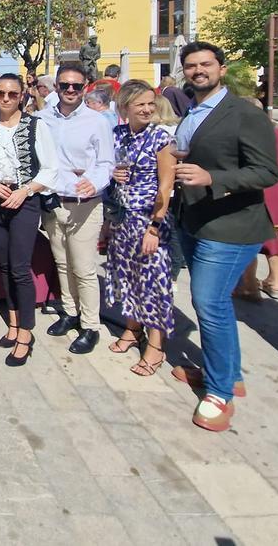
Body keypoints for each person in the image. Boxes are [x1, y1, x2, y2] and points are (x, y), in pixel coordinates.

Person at [170, 41, 278, 433]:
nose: (198, 71)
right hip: (194, 219)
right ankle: (228, 374)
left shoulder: (245, 115)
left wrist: (212, 178)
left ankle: (219, 394)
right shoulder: (193, 110)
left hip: (231, 225)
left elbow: (268, 173)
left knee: (209, 302)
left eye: (205, 64)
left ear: (222, 67)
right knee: (214, 305)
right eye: (192, 65)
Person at [0, 74, 58, 365]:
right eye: (1, 94)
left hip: (24, 202)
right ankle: (12, 322)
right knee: (5, 265)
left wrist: (26, 190)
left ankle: (26, 332)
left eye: (12, 94)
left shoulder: (36, 126)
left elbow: (49, 169)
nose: (6, 98)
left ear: (22, 96)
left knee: (20, 268)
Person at [37, 61, 115, 355]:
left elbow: (106, 163)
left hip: (85, 204)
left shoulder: (97, 122)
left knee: (84, 268)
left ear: (85, 88)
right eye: (65, 85)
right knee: (62, 263)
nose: (70, 90)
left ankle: (91, 325)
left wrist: (93, 183)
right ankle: (69, 312)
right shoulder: (43, 119)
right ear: (56, 86)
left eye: (77, 86)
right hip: (54, 202)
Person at [106, 81, 179, 376]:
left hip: (148, 218)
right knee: (128, 277)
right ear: (125, 109)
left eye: (150, 103)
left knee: (152, 282)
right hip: (123, 218)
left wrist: (155, 226)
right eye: (140, 105)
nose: (147, 109)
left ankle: (156, 346)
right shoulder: (119, 134)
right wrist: (113, 173)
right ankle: (132, 329)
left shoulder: (161, 139)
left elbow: (167, 184)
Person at [234, 117, 278, 300]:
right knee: (276, 234)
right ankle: (275, 281)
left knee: (248, 237)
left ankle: (249, 285)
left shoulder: (242, 136)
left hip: (255, 188)